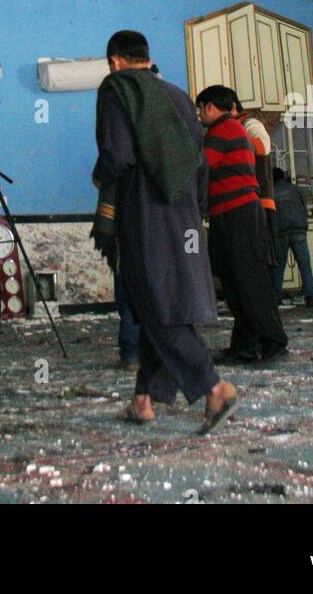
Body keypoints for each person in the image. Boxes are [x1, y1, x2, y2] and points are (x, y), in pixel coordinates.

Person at [92, 31, 237, 434]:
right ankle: (143, 400)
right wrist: (198, 209)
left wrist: (99, 174)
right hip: (184, 209)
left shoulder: (116, 89)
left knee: (155, 303)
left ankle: (214, 387)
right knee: (158, 298)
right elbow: (198, 160)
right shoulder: (176, 95)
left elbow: (117, 155)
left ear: (115, 61)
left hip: (144, 211)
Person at [196, 85, 288, 365]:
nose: (199, 115)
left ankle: (273, 341)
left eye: (200, 109)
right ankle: (244, 345)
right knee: (238, 284)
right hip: (234, 214)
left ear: (210, 107)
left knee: (249, 283)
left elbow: (201, 167)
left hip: (239, 216)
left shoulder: (223, 131)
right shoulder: (232, 130)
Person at [233, 98, 281, 267]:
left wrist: (234, 144)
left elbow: (262, 146)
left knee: (260, 260)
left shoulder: (250, 124)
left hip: (259, 202)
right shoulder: (240, 125)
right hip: (253, 202)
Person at [271, 167, 313, 305]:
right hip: (298, 230)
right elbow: (304, 207)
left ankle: (276, 296)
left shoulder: (272, 192)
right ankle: (310, 296)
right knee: (305, 265)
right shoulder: (295, 189)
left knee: (279, 266)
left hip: (282, 232)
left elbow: (271, 214)